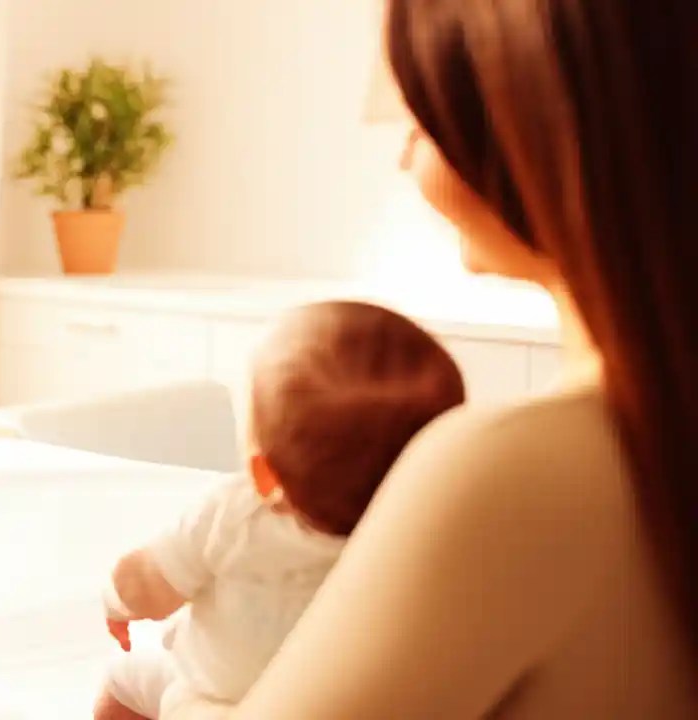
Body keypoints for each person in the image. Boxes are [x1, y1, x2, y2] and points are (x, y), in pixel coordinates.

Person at [184, 2, 698, 718]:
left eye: (420, 126)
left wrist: (181, 695)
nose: (404, 159)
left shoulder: (513, 472)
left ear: (530, 135)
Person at [94, 302, 465, 719]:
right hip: (347, 707)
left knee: (125, 673)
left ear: (264, 474)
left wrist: (116, 603)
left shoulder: (235, 514)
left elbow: (148, 587)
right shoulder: (429, 533)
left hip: (219, 707)